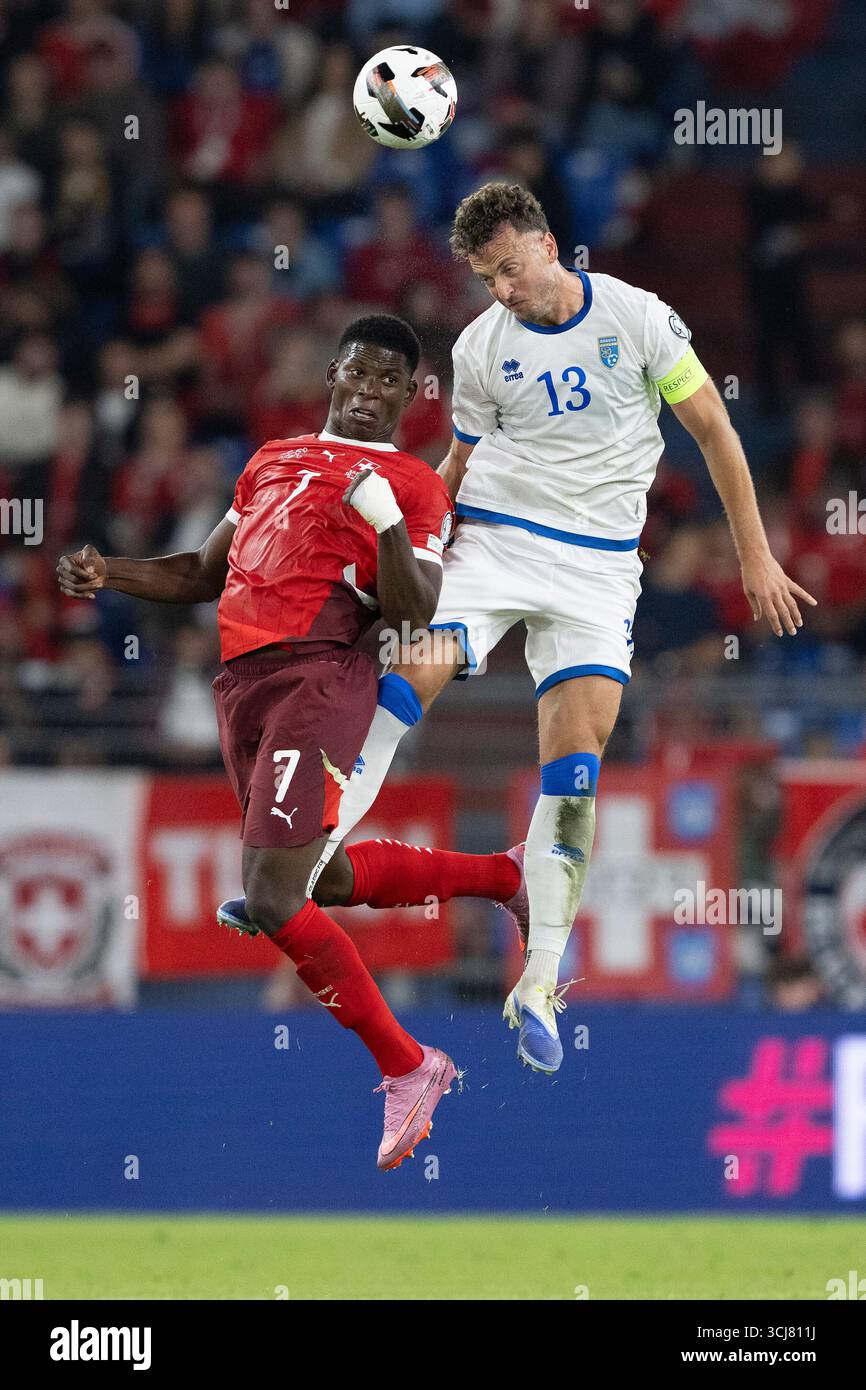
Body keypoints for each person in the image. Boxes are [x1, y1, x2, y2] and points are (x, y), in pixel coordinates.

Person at [253, 182, 817, 1078]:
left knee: (578, 767)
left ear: (549, 246)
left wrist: (755, 555)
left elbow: (714, 431)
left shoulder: (639, 320)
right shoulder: (480, 348)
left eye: (511, 269)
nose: (504, 290)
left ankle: (540, 979)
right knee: (410, 676)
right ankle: (311, 846)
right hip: (498, 540)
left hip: (597, 570)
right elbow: (457, 466)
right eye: (487, 278)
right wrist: (417, 550)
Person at [56, 314, 459, 1172]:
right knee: (322, 876)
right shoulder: (270, 461)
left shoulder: (414, 485)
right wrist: (112, 571)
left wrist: (385, 519)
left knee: (273, 895)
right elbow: (204, 575)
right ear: (334, 375)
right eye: (359, 373)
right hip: (243, 687)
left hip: (321, 680)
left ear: (407, 397)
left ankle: (408, 1064)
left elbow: (414, 608)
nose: (370, 391)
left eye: (391, 381)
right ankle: (502, 878)